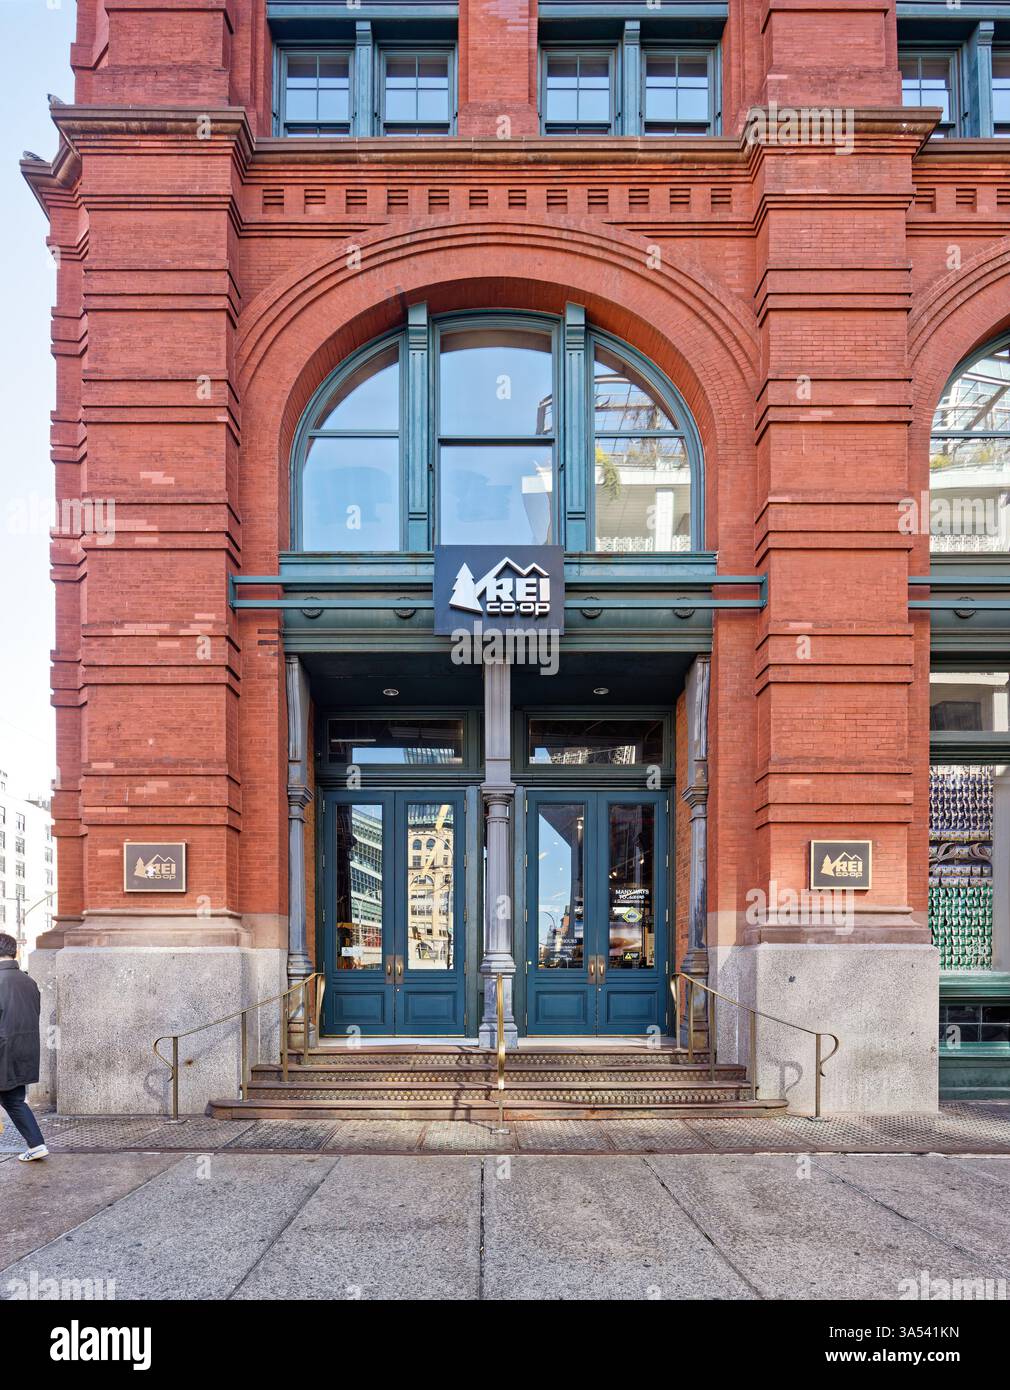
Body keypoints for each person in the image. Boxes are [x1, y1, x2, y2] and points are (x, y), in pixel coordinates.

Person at [0, 932, 47, 1161]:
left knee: (12, 1100)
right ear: (14, 952)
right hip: (24, 1050)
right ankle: (37, 1144)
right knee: (14, 1100)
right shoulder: (29, 981)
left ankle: (37, 1144)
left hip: (3, 1051)